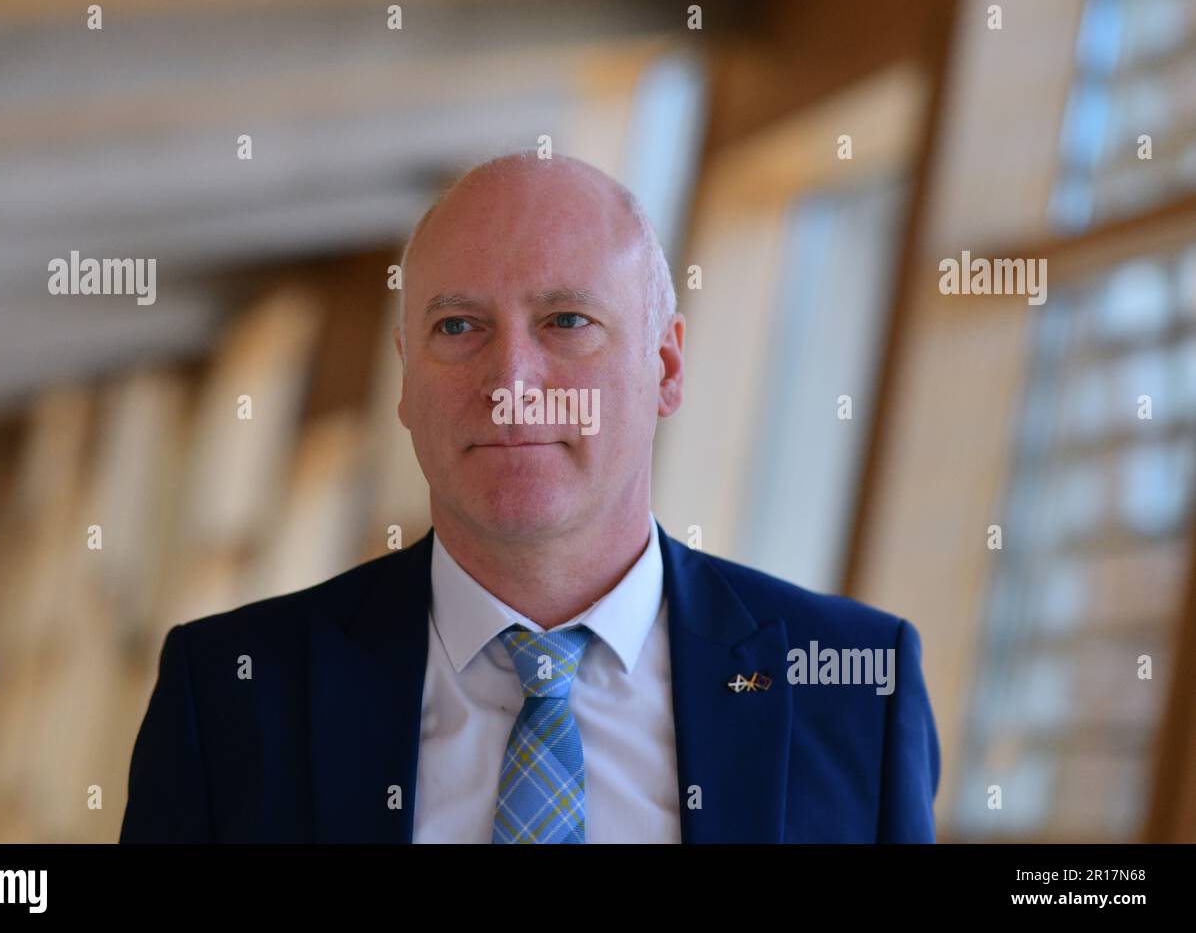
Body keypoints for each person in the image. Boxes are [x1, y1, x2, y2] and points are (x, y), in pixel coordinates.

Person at [120, 150, 940, 843]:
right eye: (458, 327)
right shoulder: (230, 694)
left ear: (667, 366)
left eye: (567, 321)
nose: (511, 384)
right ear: (405, 381)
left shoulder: (856, 690)